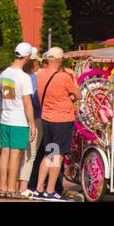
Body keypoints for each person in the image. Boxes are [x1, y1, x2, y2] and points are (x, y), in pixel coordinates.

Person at [32, 48, 79, 200]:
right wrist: (73, 78)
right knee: (57, 156)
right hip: (62, 121)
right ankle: (50, 190)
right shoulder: (65, 77)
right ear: (59, 60)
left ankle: (39, 188)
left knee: (48, 154)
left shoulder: (39, 75)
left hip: (47, 119)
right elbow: (77, 95)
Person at [0, 41, 37, 199]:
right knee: (16, 154)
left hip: (5, 118)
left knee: (4, 152)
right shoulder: (24, 77)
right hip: (19, 120)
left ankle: (3, 188)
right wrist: (32, 124)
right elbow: (27, 104)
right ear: (27, 57)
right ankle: (12, 189)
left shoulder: (4, 74)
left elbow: (6, 95)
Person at [18, 52, 42, 197]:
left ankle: (12, 186)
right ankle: (23, 187)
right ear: (33, 63)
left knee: (17, 154)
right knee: (30, 155)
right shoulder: (33, 78)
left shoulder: (15, 76)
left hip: (17, 119)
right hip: (34, 118)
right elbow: (34, 101)